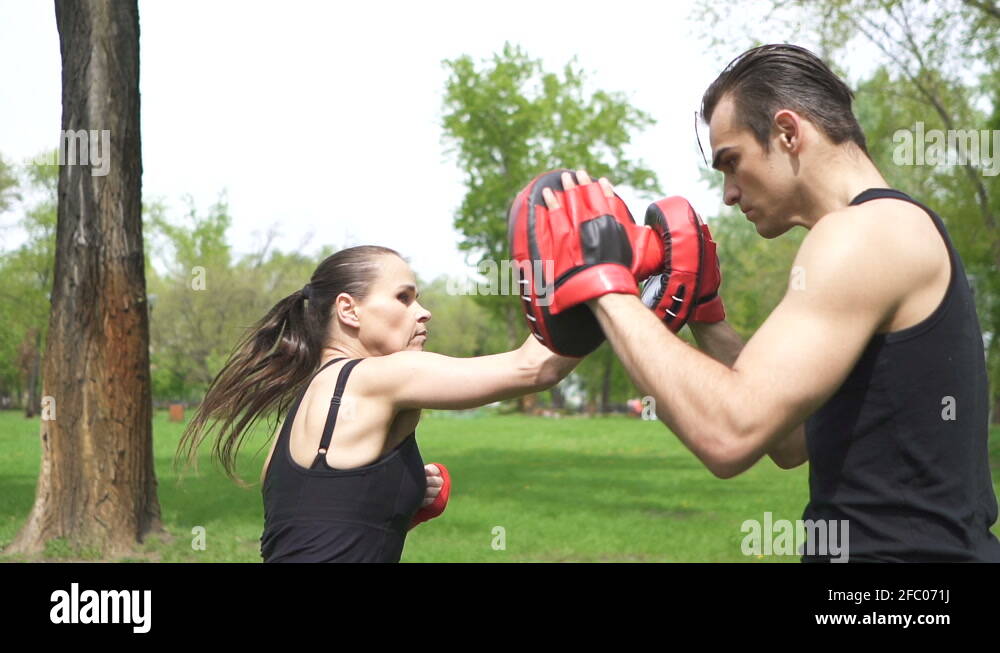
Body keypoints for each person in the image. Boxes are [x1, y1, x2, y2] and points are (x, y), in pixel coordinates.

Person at [536, 44, 1000, 562]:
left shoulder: (864, 234)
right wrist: (706, 318)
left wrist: (605, 284)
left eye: (731, 163)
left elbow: (728, 435)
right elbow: (788, 441)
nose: (730, 193)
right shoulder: (886, 230)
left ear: (787, 132)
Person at [175, 245, 578, 562]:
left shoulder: (298, 412)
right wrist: (603, 287)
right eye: (404, 298)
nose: (424, 312)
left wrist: (398, 493)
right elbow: (536, 367)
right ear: (349, 310)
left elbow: (321, 527)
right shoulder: (378, 377)